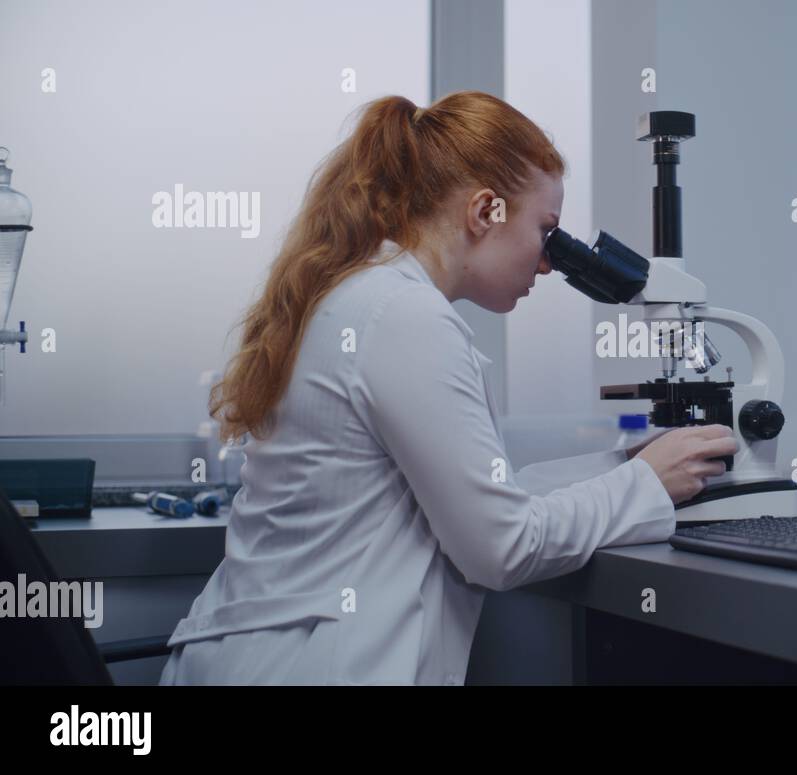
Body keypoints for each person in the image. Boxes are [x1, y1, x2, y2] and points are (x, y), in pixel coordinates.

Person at [159, 91, 736, 685]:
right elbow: (501, 547)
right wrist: (645, 485)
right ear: (485, 210)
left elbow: (483, 496)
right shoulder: (405, 317)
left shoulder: (364, 296)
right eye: (547, 231)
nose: (549, 263)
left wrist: (624, 466)